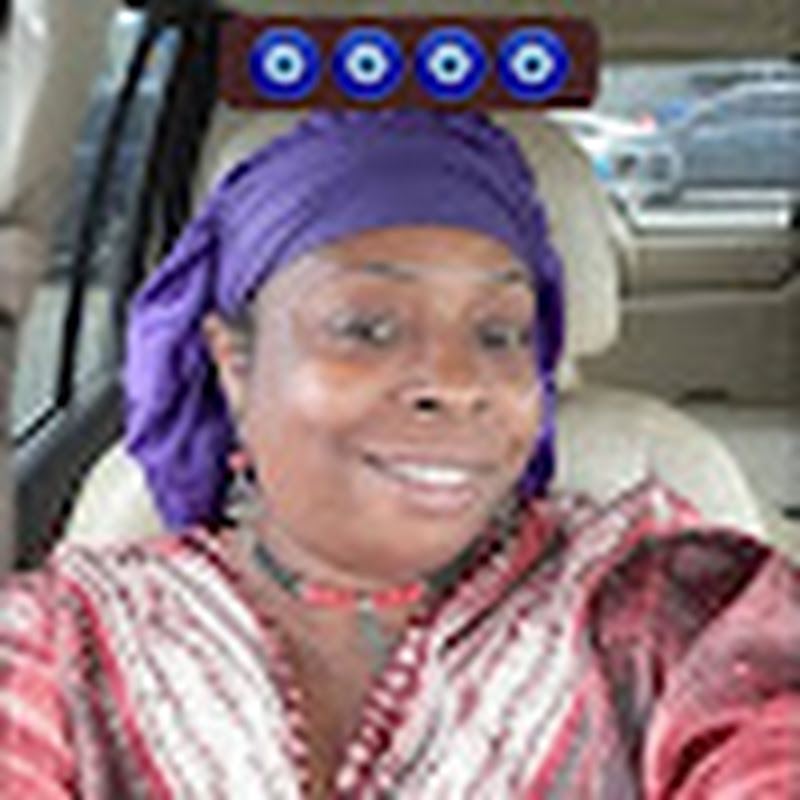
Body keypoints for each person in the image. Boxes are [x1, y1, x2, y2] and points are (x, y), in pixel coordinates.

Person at [0, 109, 797, 799]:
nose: (456, 384)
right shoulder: (63, 639)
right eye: (365, 328)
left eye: (500, 334)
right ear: (234, 364)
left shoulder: (675, 601)